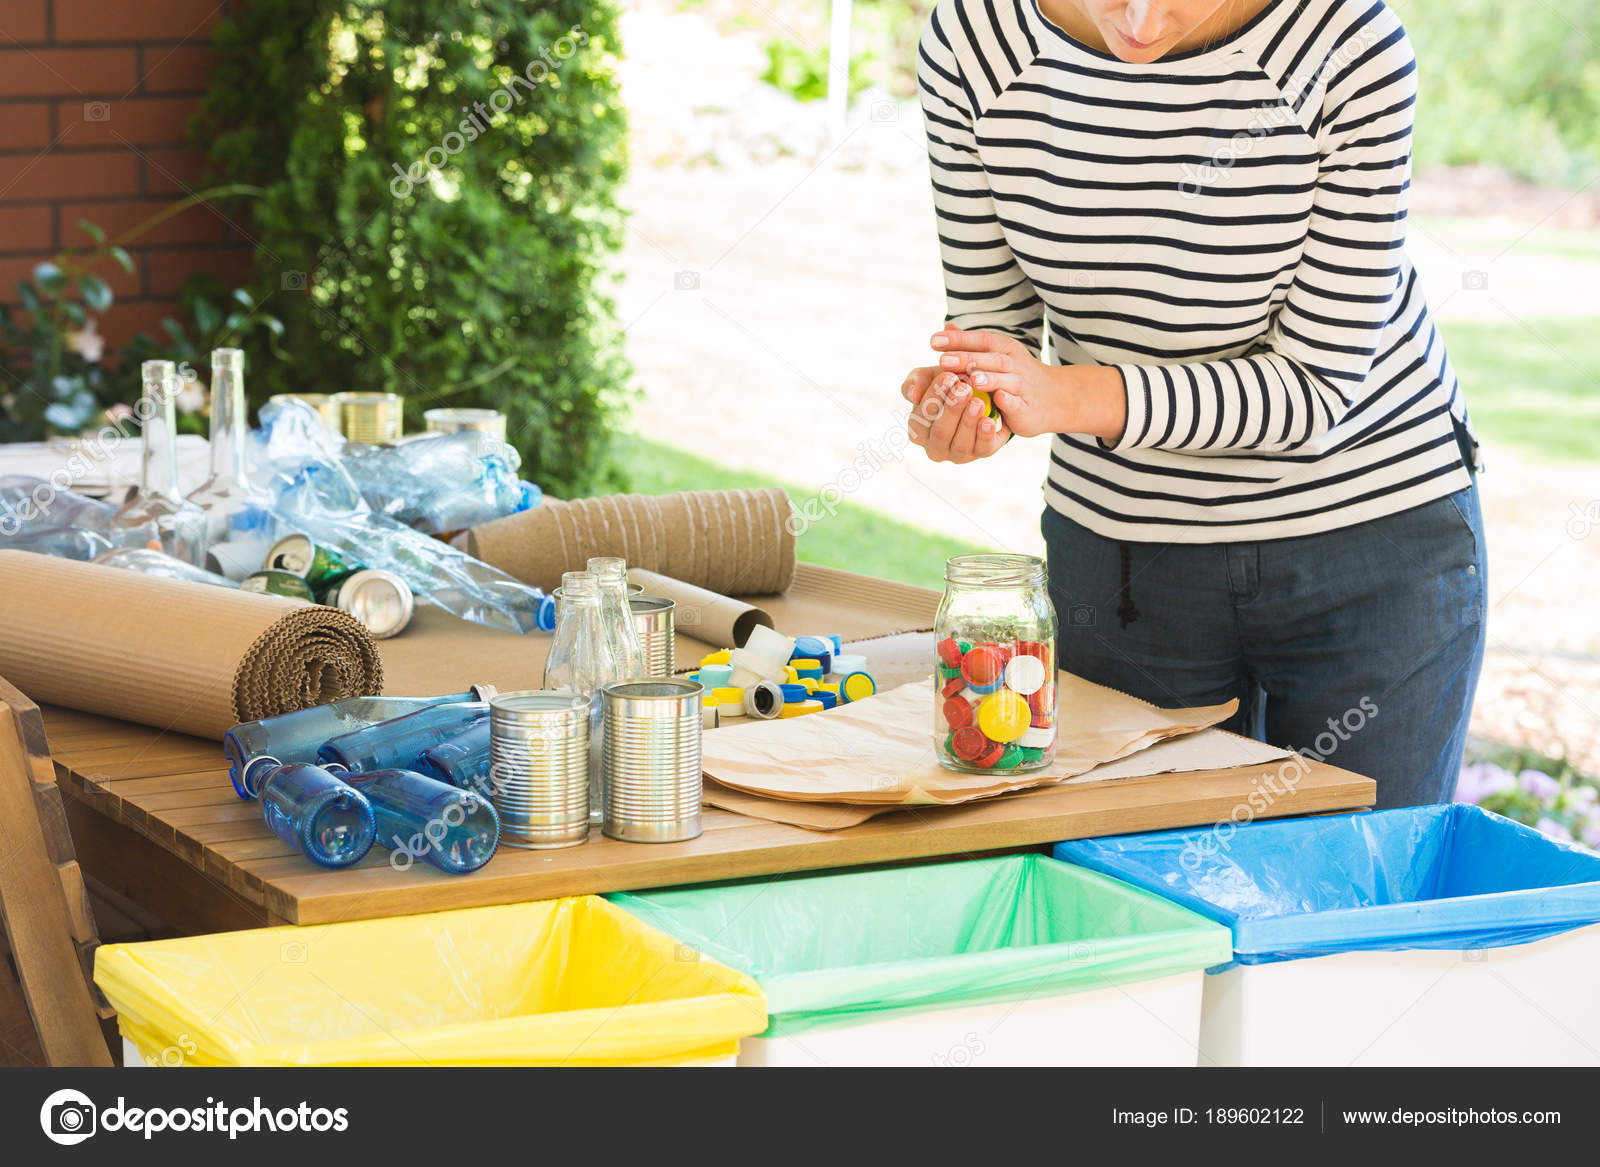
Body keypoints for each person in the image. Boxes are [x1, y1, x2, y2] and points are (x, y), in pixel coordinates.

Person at [902, 0, 1485, 808]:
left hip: (1370, 544)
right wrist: (972, 404)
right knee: (1129, 893)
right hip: (1127, 555)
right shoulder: (975, 38)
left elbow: (1315, 392)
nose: (1141, 25)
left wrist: (1067, 394)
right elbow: (993, 324)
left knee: (1357, 900)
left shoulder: (1347, 46)